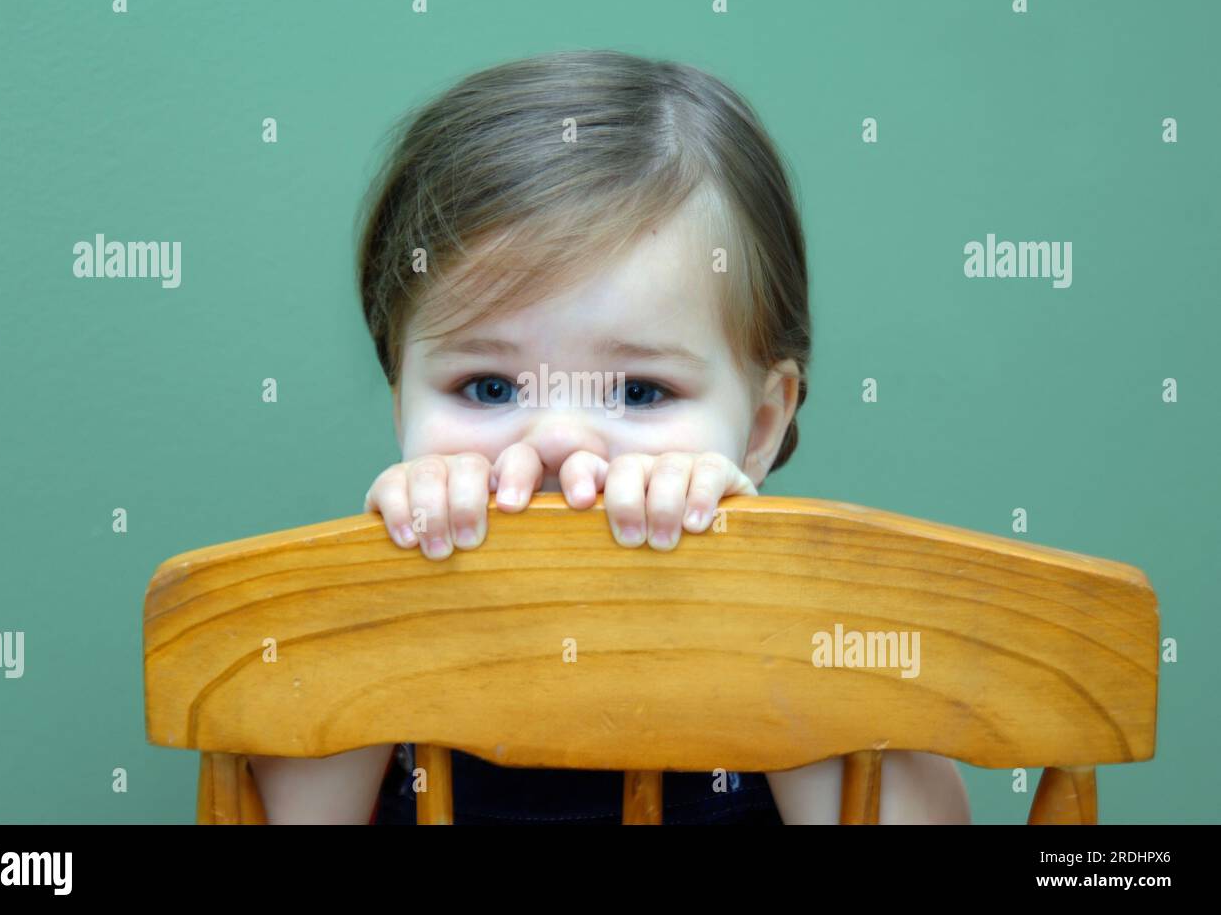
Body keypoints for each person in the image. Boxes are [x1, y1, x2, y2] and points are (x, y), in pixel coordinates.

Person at [248, 49, 971, 824]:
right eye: (488, 387)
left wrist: (759, 598)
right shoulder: (376, 637)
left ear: (761, 426)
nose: (558, 441)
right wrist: (374, 594)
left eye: (639, 390)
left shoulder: (807, 641)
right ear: (402, 414)